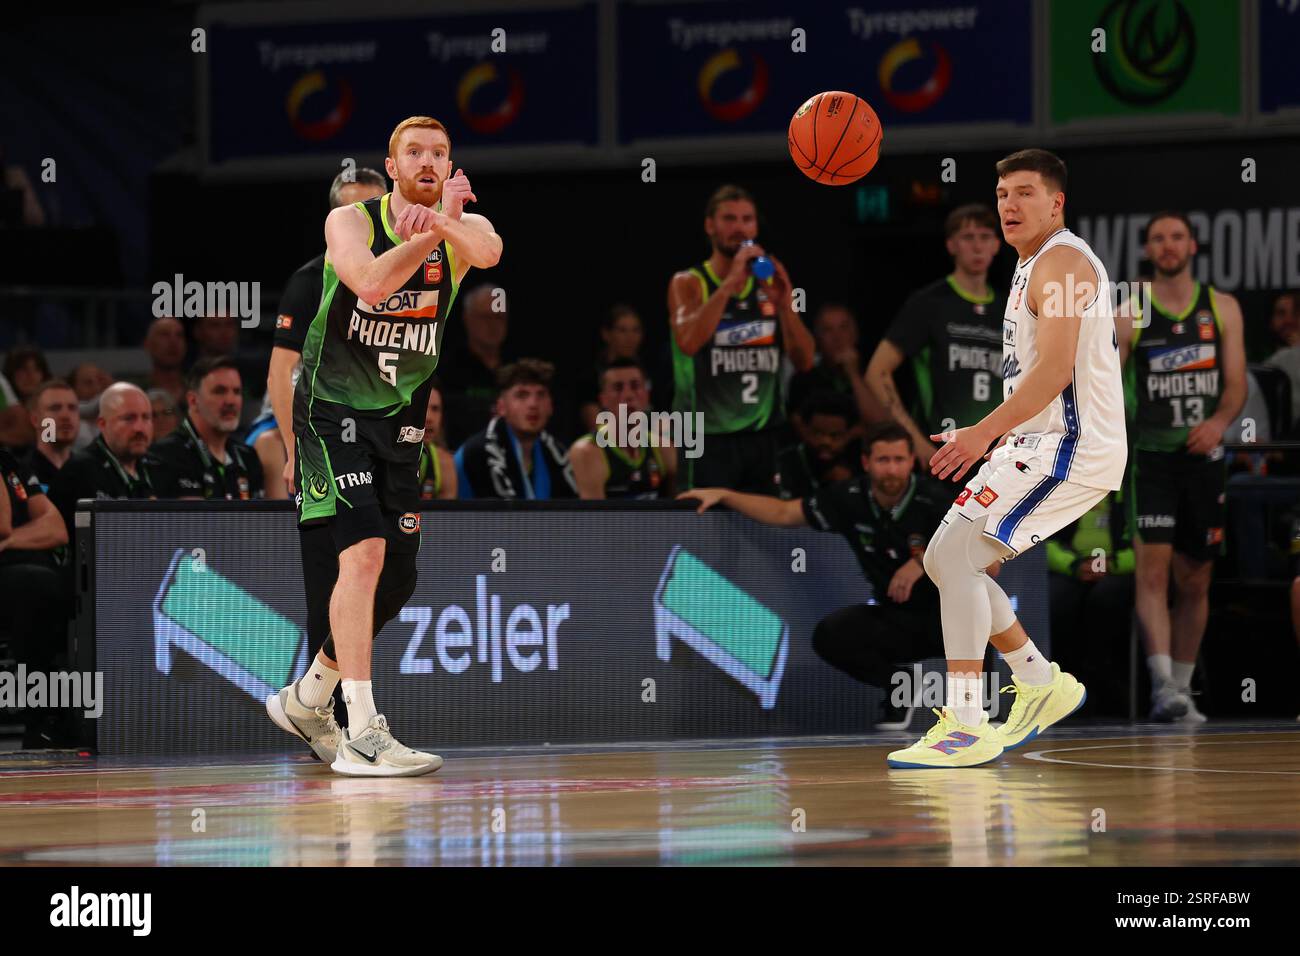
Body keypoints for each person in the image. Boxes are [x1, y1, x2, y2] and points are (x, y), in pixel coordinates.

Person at [267, 115, 500, 777]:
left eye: (440, 153)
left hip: (401, 423)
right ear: (392, 167)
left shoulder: (461, 228)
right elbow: (368, 282)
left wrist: (448, 225)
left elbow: (490, 253)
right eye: (413, 153)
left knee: (397, 577)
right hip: (330, 409)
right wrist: (425, 239)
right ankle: (362, 732)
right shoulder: (351, 223)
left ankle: (308, 697)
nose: (428, 162)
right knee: (364, 552)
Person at [889, 149, 1127, 768]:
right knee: (948, 560)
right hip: (1038, 443)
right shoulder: (1030, 266)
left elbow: (1054, 369)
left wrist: (981, 434)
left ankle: (967, 722)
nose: (1010, 205)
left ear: (1057, 203)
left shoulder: (1065, 262)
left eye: (1025, 192)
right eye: (1001, 194)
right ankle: (1039, 679)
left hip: (1070, 446)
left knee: (958, 558)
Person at [681, 423, 993, 731]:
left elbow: (991, 565)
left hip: (950, 618)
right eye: (883, 460)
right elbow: (783, 513)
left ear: (912, 461)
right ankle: (901, 687)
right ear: (866, 462)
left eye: (899, 460)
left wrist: (925, 561)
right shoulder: (849, 498)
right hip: (896, 618)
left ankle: (982, 711)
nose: (892, 470)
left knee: (989, 622)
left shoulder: (939, 499)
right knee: (833, 634)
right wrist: (725, 495)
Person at [1116, 211, 1246, 722]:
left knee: (1195, 580)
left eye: (1176, 236)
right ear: (1148, 250)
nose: (1167, 246)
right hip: (1151, 459)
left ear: (1192, 244)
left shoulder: (1224, 307)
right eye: (1157, 239)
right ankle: (1162, 687)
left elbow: (1235, 382)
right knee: (1152, 574)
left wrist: (1219, 421)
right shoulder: (1131, 311)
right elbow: (1106, 382)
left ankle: (1184, 691)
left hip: (1203, 459)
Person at [667, 184, 816, 492]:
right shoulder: (689, 283)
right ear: (710, 226)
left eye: (747, 219)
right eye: (729, 219)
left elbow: (804, 362)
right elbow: (688, 342)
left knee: (765, 533)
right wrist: (729, 286)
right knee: (702, 533)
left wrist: (785, 305)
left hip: (764, 434)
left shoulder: (769, 284)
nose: (739, 227)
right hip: (706, 436)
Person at [264, 167, 388, 501]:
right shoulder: (310, 282)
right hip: (313, 422)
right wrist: (295, 450)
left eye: (374, 211)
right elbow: (280, 373)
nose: (364, 224)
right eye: (353, 214)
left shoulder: (402, 275)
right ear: (335, 222)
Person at [866, 204, 1007, 462]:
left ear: (997, 244)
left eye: (985, 237)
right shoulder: (929, 303)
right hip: (942, 452)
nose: (977, 246)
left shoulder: (1009, 306)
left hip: (996, 455)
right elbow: (877, 371)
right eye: (968, 237)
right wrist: (915, 442)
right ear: (951, 245)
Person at [0, 446, 70, 747]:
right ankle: (38, 715)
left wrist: (12, 541)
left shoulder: (8, 459)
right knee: (35, 585)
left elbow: (56, 528)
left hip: (24, 573)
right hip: (19, 581)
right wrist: (15, 537)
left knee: (65, 584)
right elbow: (1, 526)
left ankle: (62, 716)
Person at [1045, 490, 1135, 717]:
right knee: (1056, 601)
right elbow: (1043, 540)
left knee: (1105, 600)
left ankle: (1109, 687)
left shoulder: (1130, 492)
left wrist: (1113, 565)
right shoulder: (1067, 489)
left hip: (1118, 570)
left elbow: (1146, 548)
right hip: (1072, 569)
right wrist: (1073, 565)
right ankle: (1063, 687)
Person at [47, 382, 177, 534]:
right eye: (129, 418)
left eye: (146, 418)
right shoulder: (80, 471)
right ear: (102, 424)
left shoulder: (161, 468)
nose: (139, 428)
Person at [455, 358, 576, 500]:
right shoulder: (475, 454)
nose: (533, 404)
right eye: (522, 395)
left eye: (541, 394)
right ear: (501, 407)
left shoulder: (559, 455)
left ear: (551, 406)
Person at [149, 356, 264, 500]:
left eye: (236, 392)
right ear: (193, 400)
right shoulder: (164, 456)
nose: (230, 401)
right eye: (219, 391)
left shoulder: (248, 458)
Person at [570, 358, 676, 499]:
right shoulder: (588, 451)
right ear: (603, 400)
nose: (628, 395)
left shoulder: (664, 448)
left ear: (647, 395)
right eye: (618, 388)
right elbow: (594, 519)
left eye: (635, 386)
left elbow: (678, 511)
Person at [786, 303, 884, 433]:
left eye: (844, 328)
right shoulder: (803, 379)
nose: (837, 337)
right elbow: (796, 426)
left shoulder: (875, 374)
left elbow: (881, 426)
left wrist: (853, 374)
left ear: (856, 334)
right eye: (827, 330)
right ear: (817, 338)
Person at [439, 284, 512, 449]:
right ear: (467, 318)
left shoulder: (516, 368)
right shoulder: (448, 369)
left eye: (499, 318)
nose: (493, 325)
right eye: (486, 317)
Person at [774, 391, 862, 500]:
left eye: (835, 436)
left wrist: (849, 486)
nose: (826, 442)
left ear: (850, 433)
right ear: (805, 429)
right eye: (818, 433)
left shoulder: (861, 462)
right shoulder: (784, 462)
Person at [21, 379, 80, 493]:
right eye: (55, 408)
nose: (65, 415)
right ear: (35, 419)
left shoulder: (90, 473)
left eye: (72, 408)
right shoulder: (21, 475)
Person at [418, 380, 457, 500]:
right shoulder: (384, 458)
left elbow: (445, 518)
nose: (429, 418)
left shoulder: (445, 463)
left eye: (435, 409)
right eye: (422, 406)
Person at [138, 317, 187, 406]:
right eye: (164, 335)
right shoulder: (136, 392)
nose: (173, 342)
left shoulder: (198, 389)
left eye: (179, 335)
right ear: (147, 344)